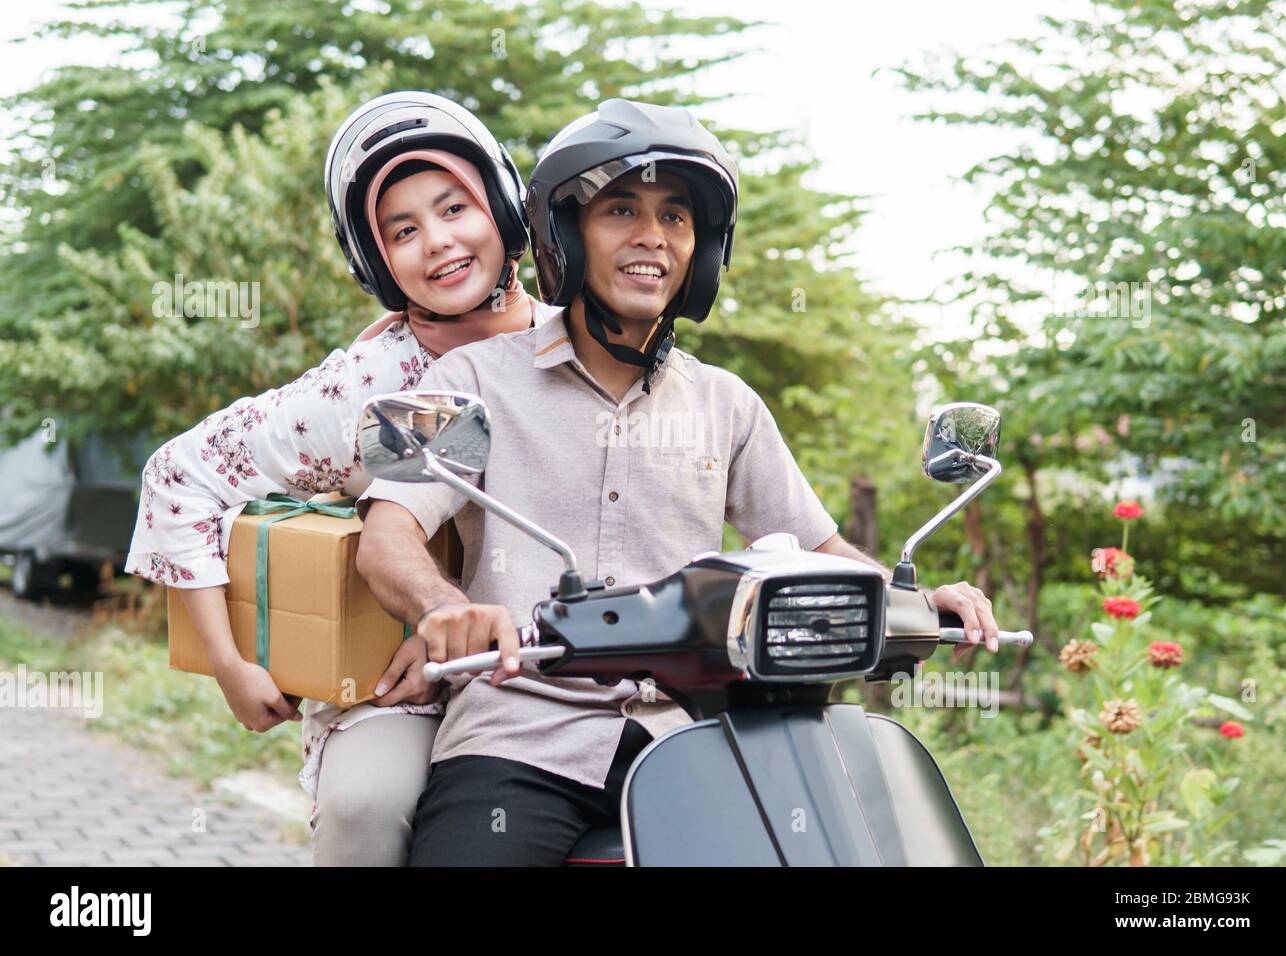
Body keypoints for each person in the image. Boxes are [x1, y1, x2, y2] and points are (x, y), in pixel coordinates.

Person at [355, 99, 1005, 866]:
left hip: (699, 739)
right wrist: (445, 608)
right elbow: (388, 533)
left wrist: (920, 604)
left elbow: (820, 549)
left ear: (702, 250)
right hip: (522, 737)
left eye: (676, 217)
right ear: (565, 235)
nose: (652, 237)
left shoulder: (725, 403)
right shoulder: (473, 380)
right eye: (621, 209)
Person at [125, 91, 558, 866]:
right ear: (375, 259)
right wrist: (229, 662)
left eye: (455, 207)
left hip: (560, 664)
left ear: (502, 207)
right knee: (366, 805)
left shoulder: (573, 348)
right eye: (403, 230)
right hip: (398, 684)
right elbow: (180, 472)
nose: (439, 242)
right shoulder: (370, 389)